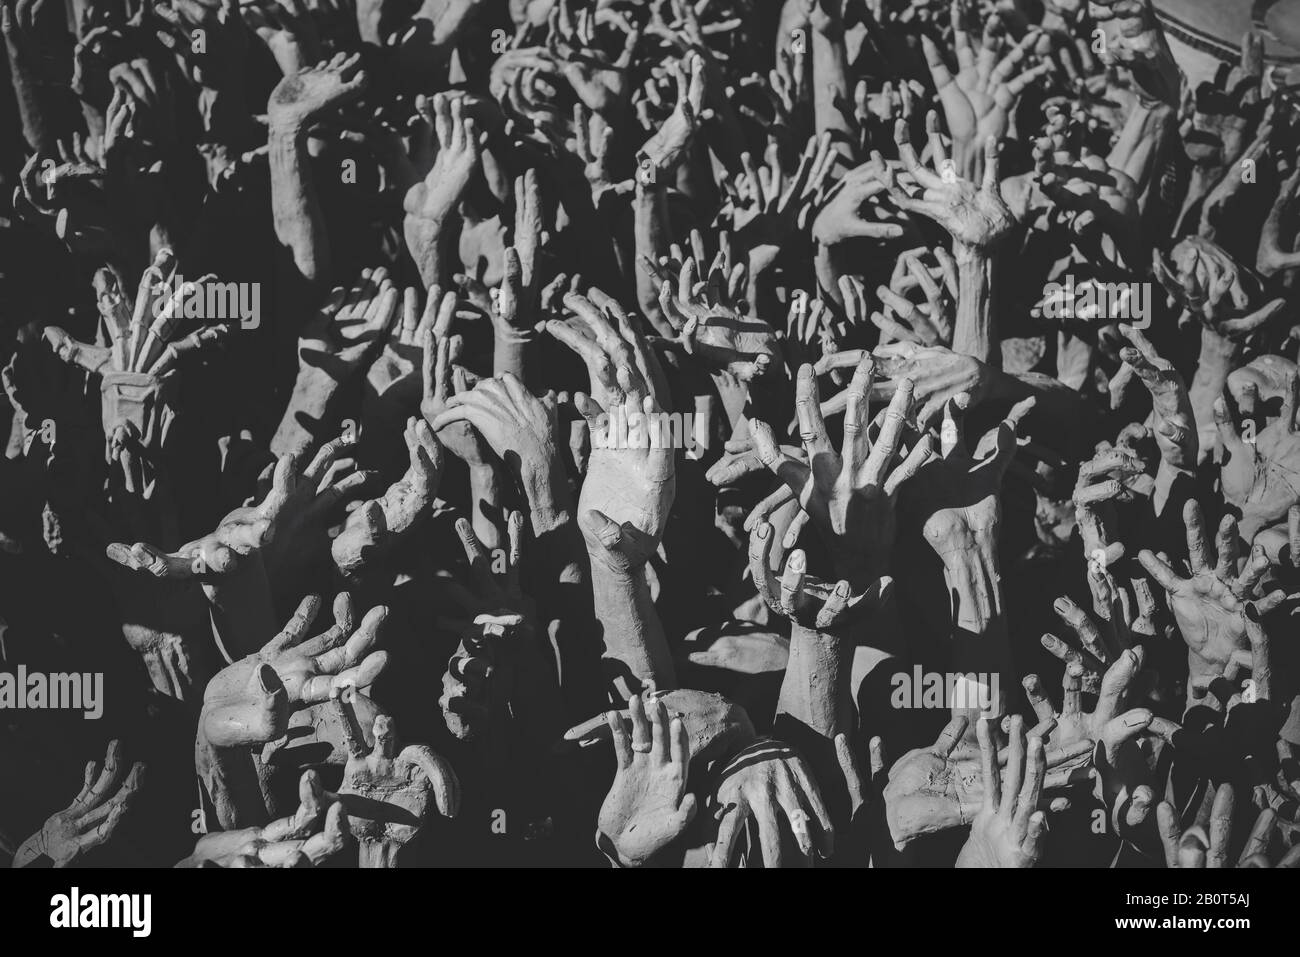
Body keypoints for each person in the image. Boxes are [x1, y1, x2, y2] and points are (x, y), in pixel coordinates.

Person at [2, 0, 1300, 870]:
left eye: (434, 648)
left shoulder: (555, 741)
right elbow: (842, 706)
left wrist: (217, 724)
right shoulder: (746, 773)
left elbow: (670, 684)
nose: (416, 712)